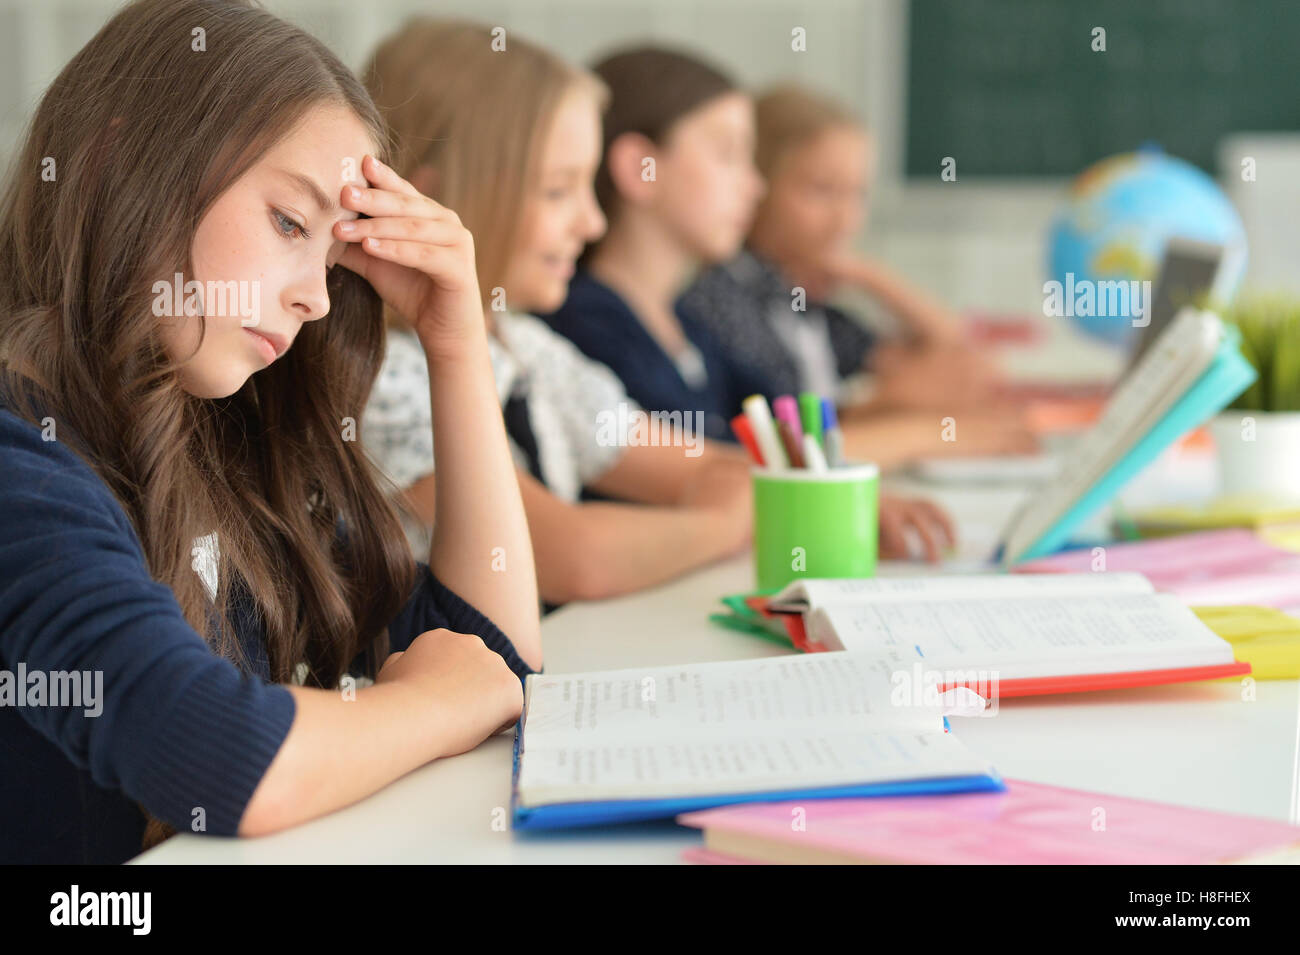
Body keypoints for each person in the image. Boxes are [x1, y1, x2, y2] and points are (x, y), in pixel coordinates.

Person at [0, 0, 536, 864]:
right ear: (114, 159)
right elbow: (211, 754)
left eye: (330, 260)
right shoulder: (19, 459)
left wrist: (455, 340)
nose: (318, 300)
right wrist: (433, 703)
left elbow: (492, 658)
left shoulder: (224, 440)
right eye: (288, 222)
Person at [361, 21, 759, 605]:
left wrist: (753, 494)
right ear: (427, 204)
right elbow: (575, 558)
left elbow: (709, 468)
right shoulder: (382, 374)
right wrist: (725, 525)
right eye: (557, 191)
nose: (592, 224)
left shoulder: (525, 346)